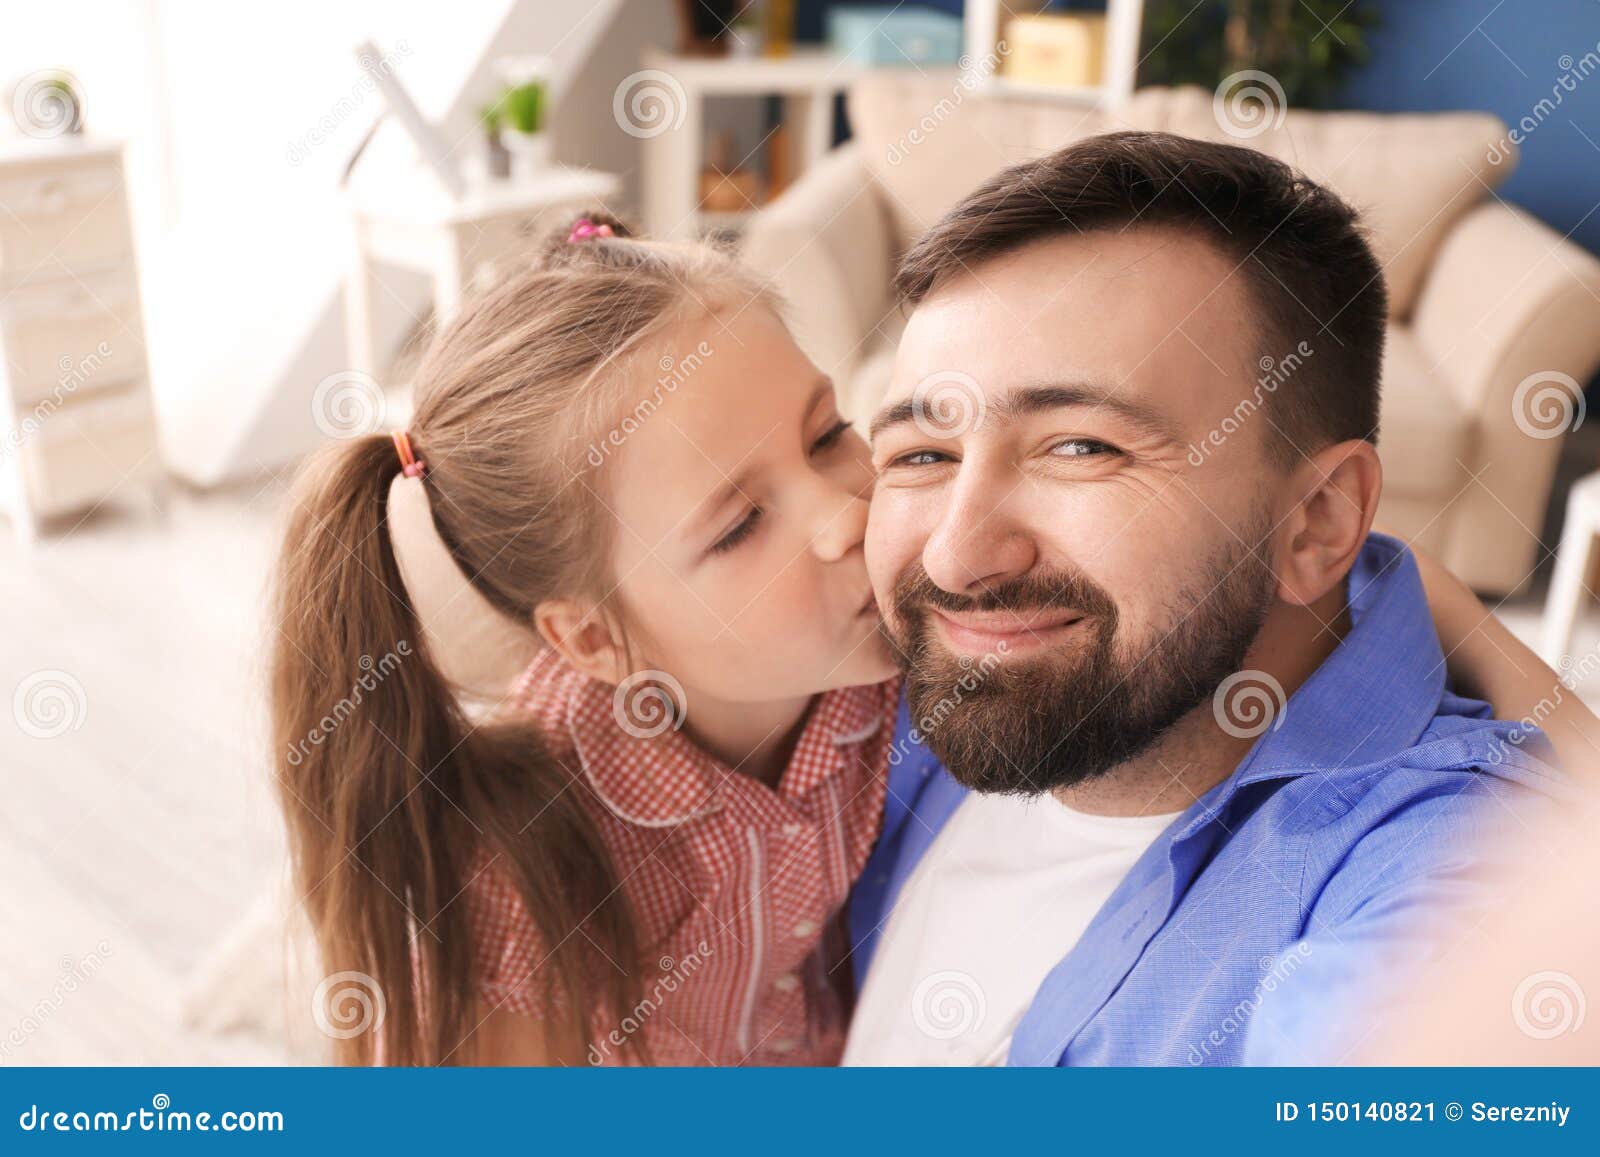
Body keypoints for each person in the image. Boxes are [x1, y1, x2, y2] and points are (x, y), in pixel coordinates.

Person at [845, 132, 1586, 1066]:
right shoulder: (879, 696)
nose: (956, 559)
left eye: (1082, 447)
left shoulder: (1447, 877)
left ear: (1319, 519)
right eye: (922, 454)